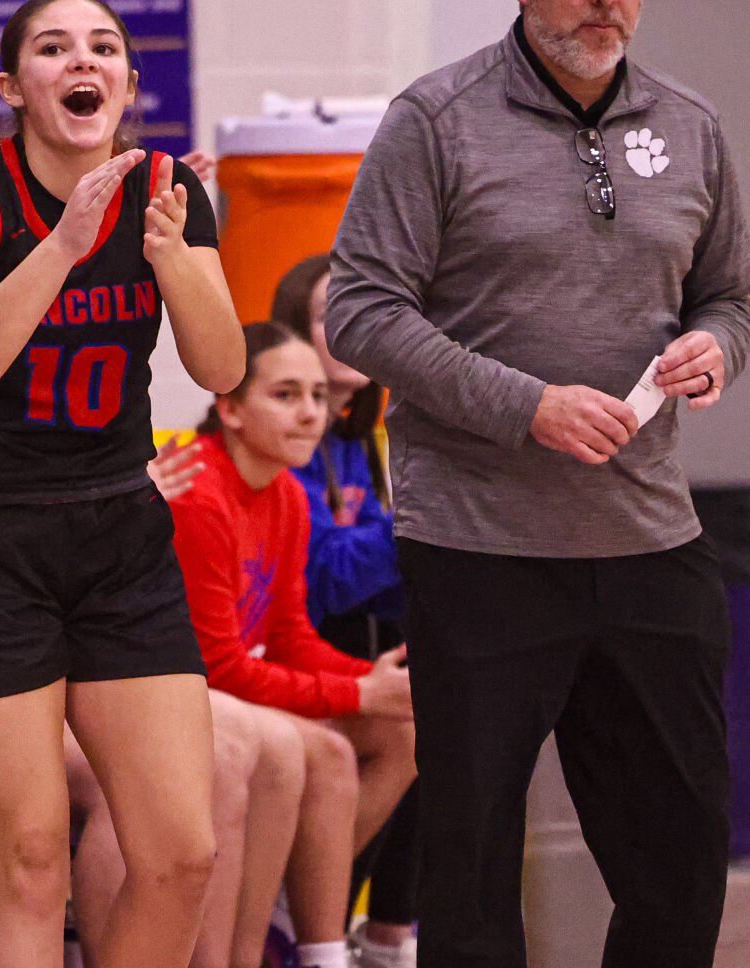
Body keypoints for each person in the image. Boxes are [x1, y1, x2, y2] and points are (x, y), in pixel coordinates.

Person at [327, 0, 750, 968]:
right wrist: (526, 408)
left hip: (648, 541)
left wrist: (717, 347)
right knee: (468, 872)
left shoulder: (690, 126)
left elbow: (727, 293)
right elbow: (361, 313)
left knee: (676, 861)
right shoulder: (434, 120)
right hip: (479, 550)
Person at [0, 0, 243, 968]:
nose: (81, 63)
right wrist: (62, 246)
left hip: (116, 537)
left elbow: (222, 371)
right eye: (53, 49)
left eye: (102, 48)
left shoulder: (169, 191)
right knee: (28, 856)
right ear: (14, 86)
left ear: (128, 85)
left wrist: (174, 259)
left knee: (181, 852)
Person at [170, 322, 416, 968]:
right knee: (327, 754)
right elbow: (216, 669)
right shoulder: (198, 494)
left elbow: (286, 637)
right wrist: (359, 689)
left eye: (315, 395)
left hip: (229, 698)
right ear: (228, 409)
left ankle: (292, 903)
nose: (311, 413)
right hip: (170, 702)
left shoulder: (284, 495)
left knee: (404, 729)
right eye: (284, 395)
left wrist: (378, 686)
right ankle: (316, 945)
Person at [270, 255, 416, 967]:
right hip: (271, 661)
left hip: (333, 646)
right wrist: (418, 523)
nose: (355, 328)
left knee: (450, 701)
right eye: (333, 314)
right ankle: (289, 895)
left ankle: (388, 935)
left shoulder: (353, 436)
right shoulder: (283, 434)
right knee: (406, 723)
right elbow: (321, 577)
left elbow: (377, 573)